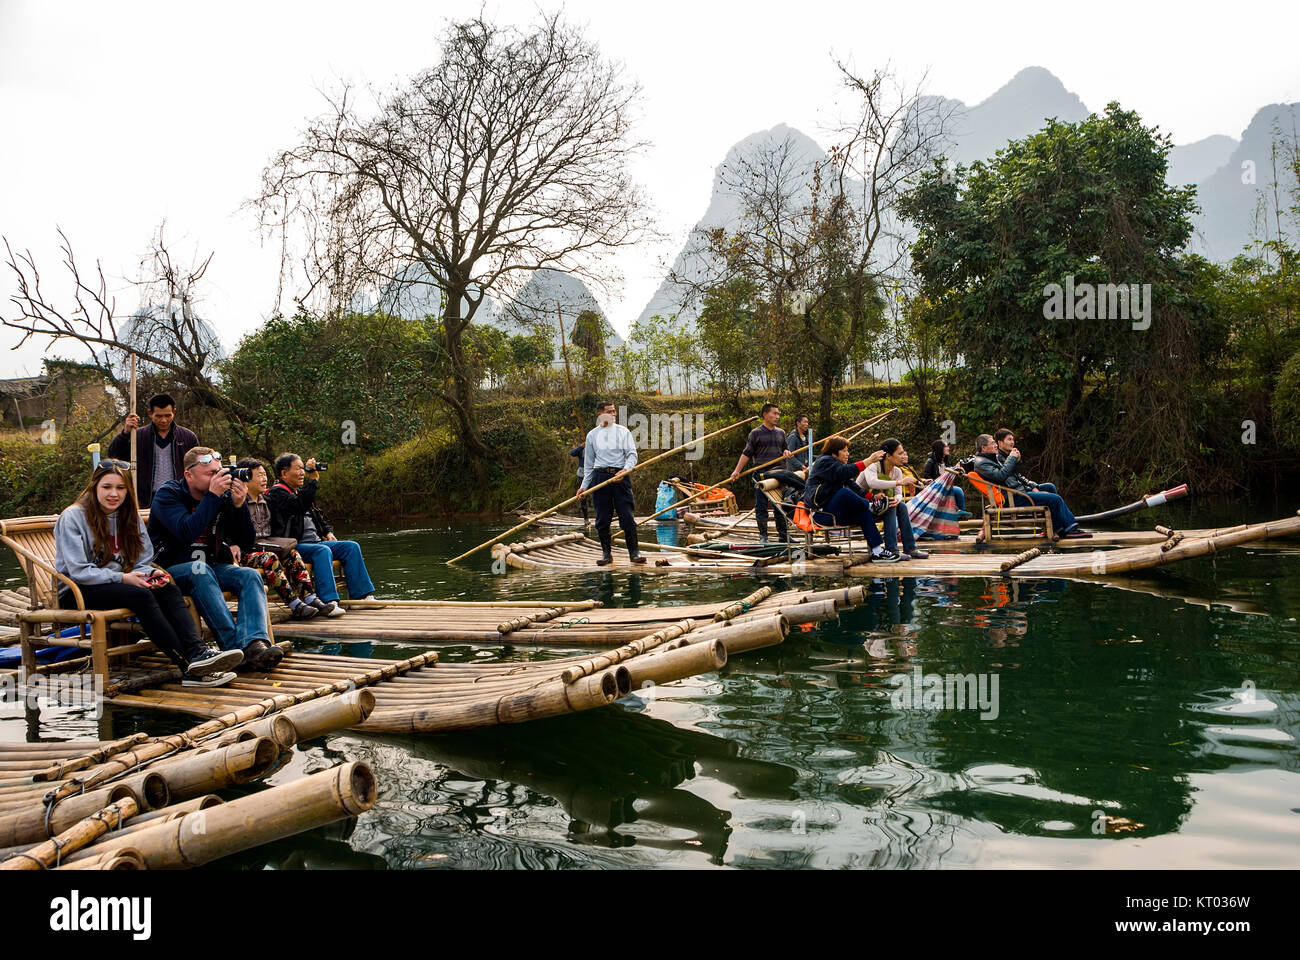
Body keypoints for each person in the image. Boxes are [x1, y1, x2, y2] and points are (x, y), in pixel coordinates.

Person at [53, 460, 241, 686]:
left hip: (120, 583)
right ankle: (188, 667)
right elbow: (79, 570)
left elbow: (143, 559)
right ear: (94, 487)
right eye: (107, 487)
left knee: (167, 588)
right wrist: (124, 578)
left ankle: (198, 653)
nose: (114, 494)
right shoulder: (73, 517)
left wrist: (147, 575)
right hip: (78, 590)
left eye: (121, 488)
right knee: (141, 596)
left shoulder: (127, 515)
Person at [147, 446, 284, 671]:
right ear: (188, 475)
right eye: (211, 474)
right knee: (198, 570)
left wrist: (239, 506)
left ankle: (254, 644)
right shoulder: (168, 494)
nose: (219, 478)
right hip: (171, 570)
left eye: (219, 472)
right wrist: (212, 496)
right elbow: (186, 532)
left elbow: (246, 541)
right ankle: (234, 649)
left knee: (249, 575)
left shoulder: (222, 497)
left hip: (210, 566)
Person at [236, 458, 341, 619]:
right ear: (245, 478)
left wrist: (324, 530)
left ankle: (311, 598)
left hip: (268, 545)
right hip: (246, 552)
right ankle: (295, 604)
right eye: (259, 475)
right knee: (270, 558)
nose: (264, 479)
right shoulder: (236, 502)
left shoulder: (267, 500)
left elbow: (297, 506)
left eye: (265, 474)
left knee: (293, 554)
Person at [267, 454, 377, 604]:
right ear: (284, 473)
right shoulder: (277, 493)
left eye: (302, 468)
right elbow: (298, 505)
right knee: (322, 551)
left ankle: (361, 597)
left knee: (351, 547)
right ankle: (328, 600)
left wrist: (327, 531)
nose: (302, 473)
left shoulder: (301, 493)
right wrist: (312, 481)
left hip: (315, 543)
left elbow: (319, 518)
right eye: (298, 468)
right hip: (293, 546)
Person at [968, 430, 1091, 538]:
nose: (995, 445)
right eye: (992, 443)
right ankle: (1071, 529)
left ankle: (1057, 528)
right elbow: (1001, 475)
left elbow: (1011, 476)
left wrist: (1017, 463)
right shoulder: (983, 463)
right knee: (1055, 499)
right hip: (1013, 498)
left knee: (1050, 489)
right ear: (983, 448)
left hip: (1016, 493)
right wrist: (1011, 459)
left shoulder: (989, 459)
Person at [802, 437, 900, 562]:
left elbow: (853, 486)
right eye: (844, 450)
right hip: (821, 514)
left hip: (835, 513)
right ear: (833, 453)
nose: (847, 453)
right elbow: (844, 472)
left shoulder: (838, 466)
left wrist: (872, 497)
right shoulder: (825, 462)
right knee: (844, 493)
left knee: (864, 514)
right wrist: (868, 461)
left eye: (847, 450)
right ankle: (872, 506)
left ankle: (877, 551)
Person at [577, 401, 646, 565]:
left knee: (627, 517)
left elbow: (632, 455)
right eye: (610, 411)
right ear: (600, 415)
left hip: (620, 477)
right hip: (600, 479)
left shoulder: (623, 432)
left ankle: (634, 553)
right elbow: (589, 465)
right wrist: (584, 486)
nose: (614, 414)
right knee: (602, 519)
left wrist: (626, 470)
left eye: (614, 411)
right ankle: (606, 554)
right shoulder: (592, 435)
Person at [106, 393, 199, 509]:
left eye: (167, 415)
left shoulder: (187, 437)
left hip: (180, 498)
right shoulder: (138, 436)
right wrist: (125, 433)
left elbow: (198, 469)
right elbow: (114, 456)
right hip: (146, 500)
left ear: (174, 412)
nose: (164, 420)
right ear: (150, 414)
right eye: (159, 416)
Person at [728, 404, 803, 543]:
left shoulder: (781, 432)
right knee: (761, 506)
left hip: (779, 474)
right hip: (761, 475)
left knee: (779, 505)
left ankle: (783, 535)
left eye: (778, 414)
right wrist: (736, 471)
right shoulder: (756, 433)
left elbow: (785, 450)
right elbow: (747, 454)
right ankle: (764, 536)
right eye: (774, 413)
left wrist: (786, 452)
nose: (777, 417)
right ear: (765, 414)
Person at [856, 438, 930, 560]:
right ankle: (892, 549)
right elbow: (873, 483)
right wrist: (899, 482)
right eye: (899, 453)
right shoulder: (872, 467)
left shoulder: (897, 471)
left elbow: (898, 494)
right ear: (889, 456)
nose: (903, 456)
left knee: (899, 505)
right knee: (890, 504)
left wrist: (897, 499)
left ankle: (910, 548)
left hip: (879, 507)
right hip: (862, 508)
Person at [921, 439, 970, 518]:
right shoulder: (930, 462)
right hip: (935, 488)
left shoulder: (947, 461)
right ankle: (957, 511)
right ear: (940, 448)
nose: (948, 448)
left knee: (958, 490)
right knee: (950, 491)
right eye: (946, 446)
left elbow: (950, 477)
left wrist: (957, 469)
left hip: (946, 487)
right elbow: (927, 477)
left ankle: (962, 513)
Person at [568, 439, 590, 525]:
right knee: (582, 497)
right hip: (582, 475)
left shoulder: (596, 449)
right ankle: (586, 518)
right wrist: (581, 446)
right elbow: (572, 453)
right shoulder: (582, 450)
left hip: (593, 475)